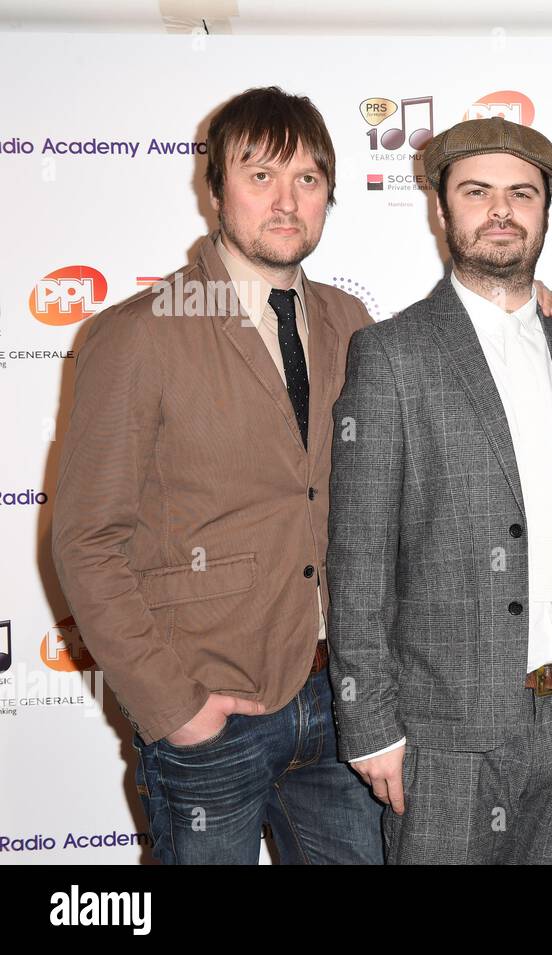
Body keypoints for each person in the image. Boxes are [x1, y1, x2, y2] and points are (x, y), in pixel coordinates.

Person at [52, 86, 383, 864]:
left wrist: (520, 309)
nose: (285, 200)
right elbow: (86, 540)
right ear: (214, 191)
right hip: (212, 713)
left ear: (329, 196)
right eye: (259, 174)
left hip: (342, 704)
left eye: (307, 179)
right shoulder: (137, 334)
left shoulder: (352, 325)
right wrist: (175, 705)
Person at [326, 116, 552, 864]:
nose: (502, 210)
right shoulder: (391, 353)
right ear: (440, 209)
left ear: (546, 211)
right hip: (445, 733)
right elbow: (358, 553)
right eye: (477, 191)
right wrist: (370, 724)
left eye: (522, 193)